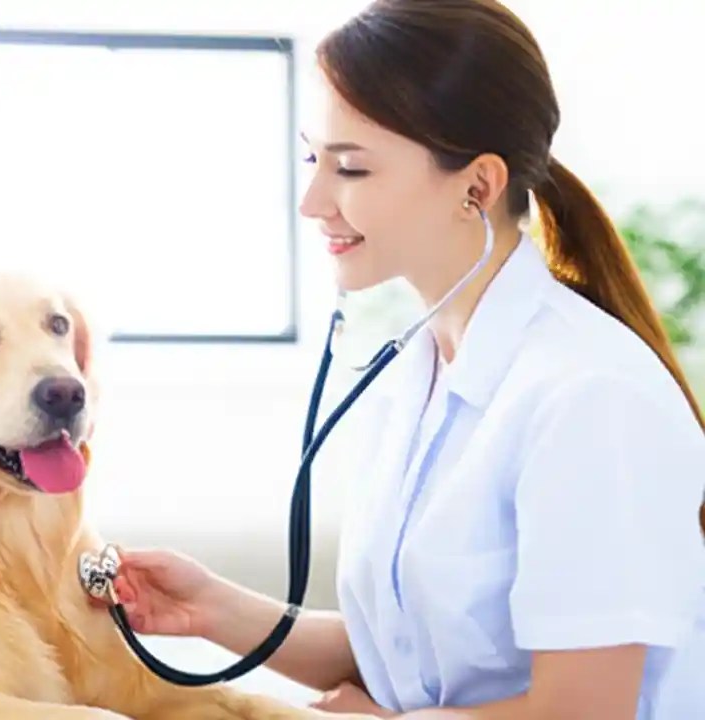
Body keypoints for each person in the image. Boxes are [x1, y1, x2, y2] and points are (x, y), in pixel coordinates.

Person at [99, 1, 705, 718]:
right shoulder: (418, 373)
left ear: (477, 187)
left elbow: (583, 710)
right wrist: (214, 610)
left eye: (350, 169)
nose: (312, 200)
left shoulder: (591, 399)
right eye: (311, 158)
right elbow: (412, 656)